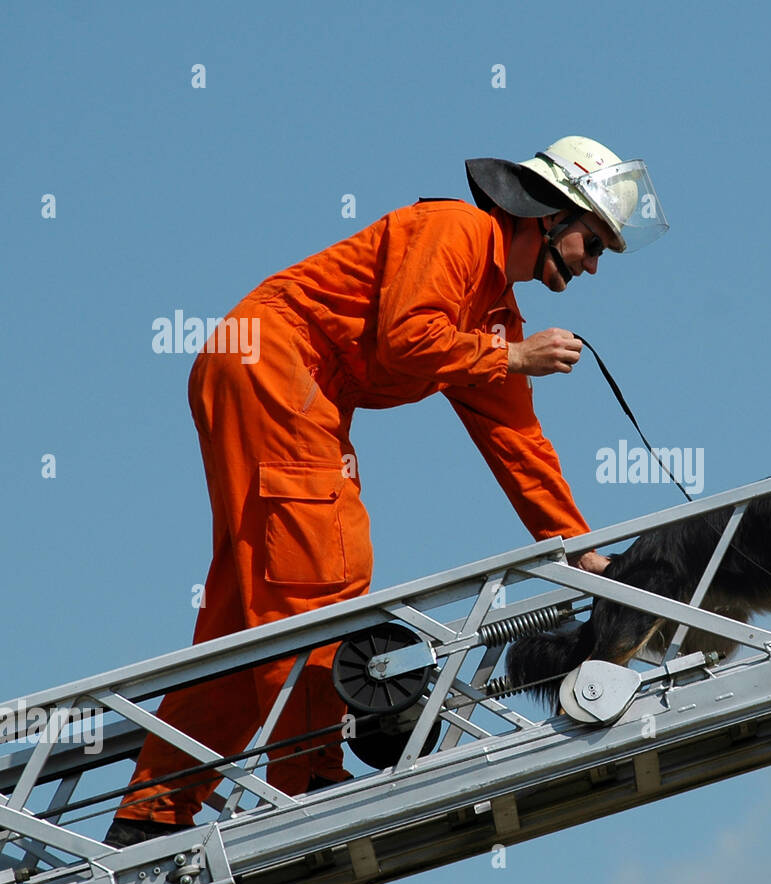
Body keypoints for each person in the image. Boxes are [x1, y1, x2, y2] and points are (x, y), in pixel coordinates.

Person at [105, 136, 668, 846]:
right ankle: (307, 774)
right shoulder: (459, 234)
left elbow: (518, 442)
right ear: (550, 216)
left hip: (282, 376)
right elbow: (408, 338)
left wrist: (583, 553)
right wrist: (512, 355)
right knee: (324, 566)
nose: (593, 265)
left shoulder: (496, 315)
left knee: (251, 608)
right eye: (594, 243)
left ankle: (151, 811)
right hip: (275, 361)